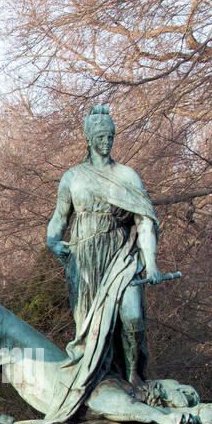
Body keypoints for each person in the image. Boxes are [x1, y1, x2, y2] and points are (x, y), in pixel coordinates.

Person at [46, 105, 163, 389]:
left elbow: (145, 222)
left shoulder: (127, 176)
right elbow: (59, 219)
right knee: (91, 328)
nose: (106, 141)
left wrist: (151, 261)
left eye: (110, 136)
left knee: (133, 317)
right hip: (84, 259)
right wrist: (52, 241)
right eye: (100, 136)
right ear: (88, 138)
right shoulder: (73, 177)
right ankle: (94, 384)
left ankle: (134, 374)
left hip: (121, 255)